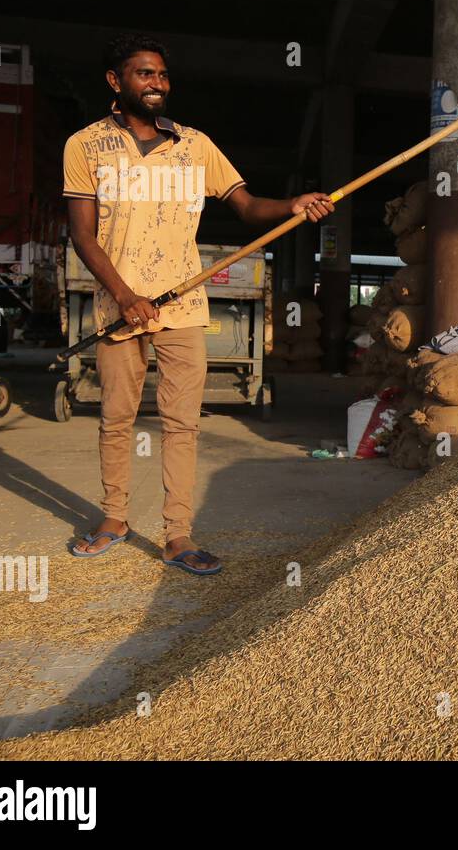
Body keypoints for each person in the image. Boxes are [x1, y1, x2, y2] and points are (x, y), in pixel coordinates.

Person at [65, 33, 334, 574]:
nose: (158, 84)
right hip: (119, 305)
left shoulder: (195, 145)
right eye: (144, 74)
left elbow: (249, 206)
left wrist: (293, 205)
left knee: (181, 423)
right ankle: (114, 518)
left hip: (182, 305)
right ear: (116, 82)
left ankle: (178, 535)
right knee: (117, 418)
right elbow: (83, 235)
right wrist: (124, 295)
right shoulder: (85, 146)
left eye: (162, 75)